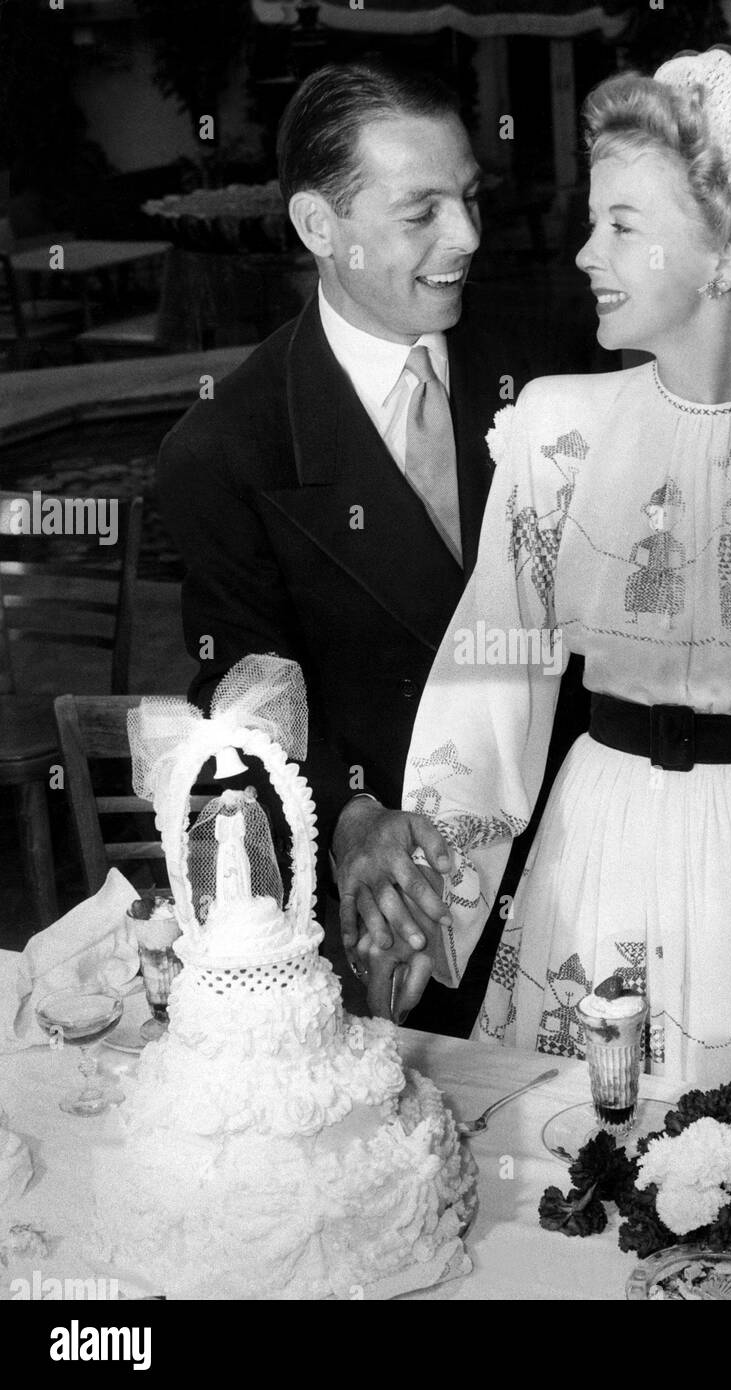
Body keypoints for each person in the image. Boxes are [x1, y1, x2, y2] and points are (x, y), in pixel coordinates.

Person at [360, 47, 731, 1126]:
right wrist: (425, 901)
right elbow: (488, 689)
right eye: (592, 222)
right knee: (586, 1160)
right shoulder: (555, 425)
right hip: (603, 839)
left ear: (726, 252)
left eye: (622, 225)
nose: (585, 252)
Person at [157, 58, 592, 1034]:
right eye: (421, 211)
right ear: (321, 227)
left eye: (470, 198)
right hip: (410, 916)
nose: (466, 236)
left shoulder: (555, 364)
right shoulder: (227, 446)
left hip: (595, 864)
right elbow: (242, 689)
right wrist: (350, 818)